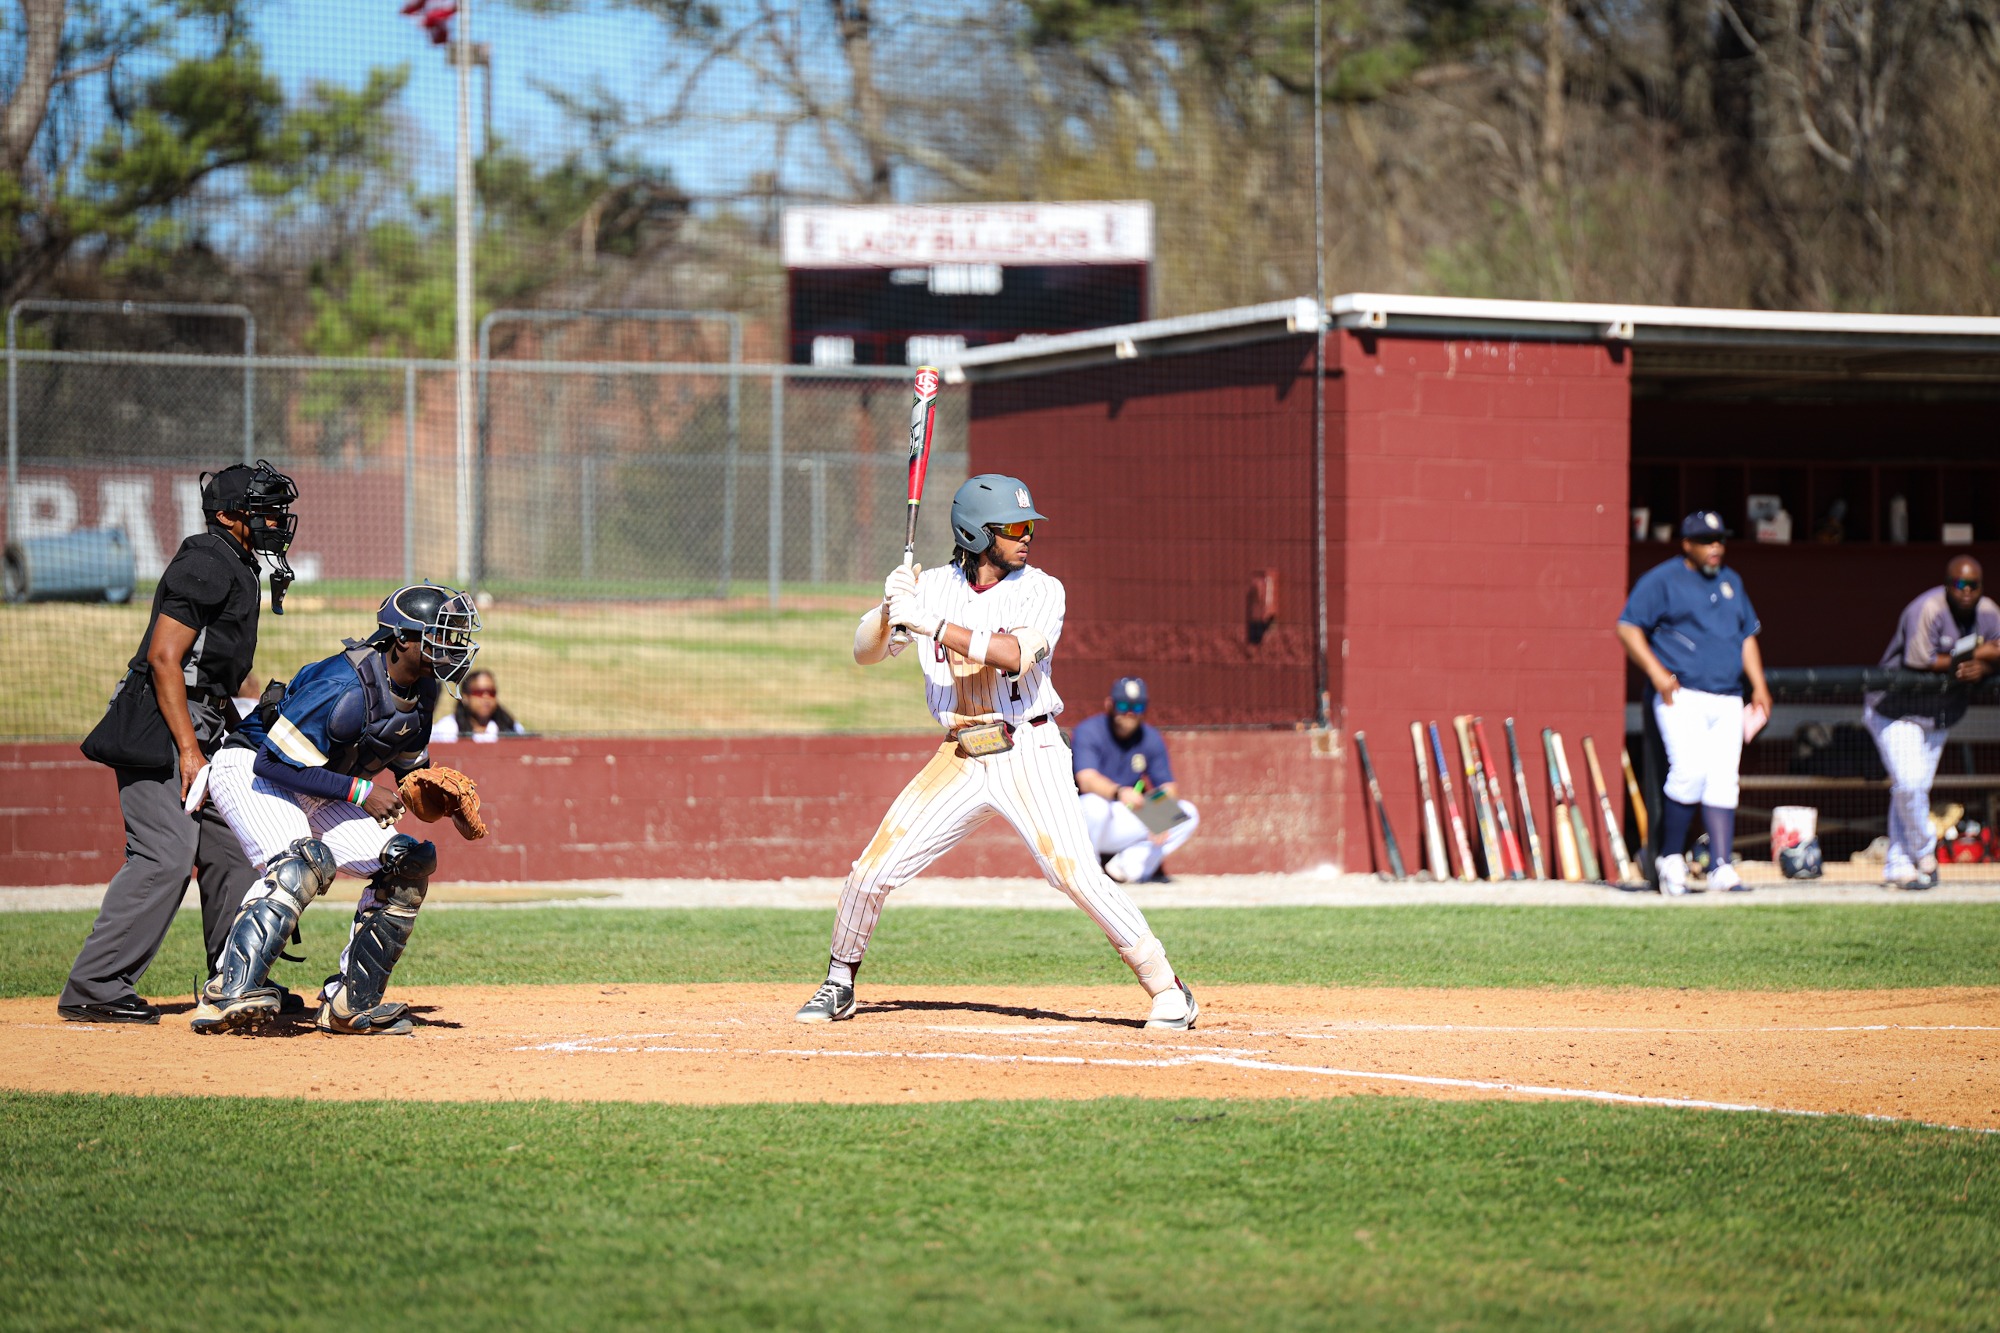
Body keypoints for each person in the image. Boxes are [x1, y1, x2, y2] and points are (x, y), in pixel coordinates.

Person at [794, 474, 1199, 1029]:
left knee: (1074, 874)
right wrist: (890, 610)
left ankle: (1167, 988)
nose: (1027, 536)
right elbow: (865, 653)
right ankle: (839, 983)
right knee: (871, 871)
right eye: (1013, 528)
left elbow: (1014, 656)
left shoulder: (1042, 589)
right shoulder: (930, 587)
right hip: (959, 753)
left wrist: (931, 623)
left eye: (1029, 525)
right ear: (975, 533)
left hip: (1029, 745)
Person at [58, 461, 300, 1024]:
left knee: (233, 846)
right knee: (165, 854)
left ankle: (235, 980)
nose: (274, 519)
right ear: (225, 515)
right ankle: (94, 987)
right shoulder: (204, 561)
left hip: (204, 721)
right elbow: (165, 658)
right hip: (162, 723)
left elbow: (214, 664)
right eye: (261, 508)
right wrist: (190, 750)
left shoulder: (235, 563)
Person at [194, 582, 484, 1035]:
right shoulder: (343, 683)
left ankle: (349, 1003)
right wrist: (362, 793)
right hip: (250, 767)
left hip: (320, 786)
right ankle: (227, 990)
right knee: (302, 862)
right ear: (402, 639)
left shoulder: (421, 695)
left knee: (408, 862)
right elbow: (273, 762)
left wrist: (439, 799)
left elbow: (410, 776)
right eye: (439, 635)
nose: (451, 646)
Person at [1615, 509, 1773, 896]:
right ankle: (1670, 858)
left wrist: (1760, 685)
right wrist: (1655, 671)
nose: (1715, 547)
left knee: (1723, 779)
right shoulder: (1664, 579)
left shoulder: (1731, 580)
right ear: (1687, 544)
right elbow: (1627, 626)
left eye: (1719, 540)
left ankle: (1721, 866)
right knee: (1688, 771)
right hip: (1681, 693)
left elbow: (1746, 636)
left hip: (1728, 696)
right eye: (1706, 541)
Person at [1863, 556, 2000, 890]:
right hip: (1895, 710)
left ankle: (1899, 864)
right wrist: (1974, 658)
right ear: (1947, 584)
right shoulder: (1927, 608)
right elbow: (1919, 660)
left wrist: (1981, 665)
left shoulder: (1987, 611)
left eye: (1973, 585)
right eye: (1959, 584)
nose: (1966, 592)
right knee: (1909, 785)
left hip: (1939, 716)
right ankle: (1925, 851)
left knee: (1912, 791)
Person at [1073, 676, 1200, 884]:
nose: (1130, 712)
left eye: (1138, 707)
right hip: (1089, 818)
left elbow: (1169, 788)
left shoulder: (1149, 737)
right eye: (1124, 705)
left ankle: (1127, 867)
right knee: (1096, 806)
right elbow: (1086, 780)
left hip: (1126, 815)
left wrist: (1158, 816)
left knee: (1187, 813)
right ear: (1110, 705)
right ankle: (1087, 871)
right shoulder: (1089, 731)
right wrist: (1119, 791)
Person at [432, 669, 525, 742]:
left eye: (491, 693)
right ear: (465, 697)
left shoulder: (511, 728)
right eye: (479, 692)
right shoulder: (447, 728)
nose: (486, 698)